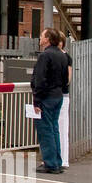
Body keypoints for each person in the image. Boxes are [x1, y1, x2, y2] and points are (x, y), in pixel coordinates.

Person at [31, 28, 70, 174]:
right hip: (58, 95)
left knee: (45, 130)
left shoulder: (45, 56)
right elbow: (65, 79)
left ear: (47, 39)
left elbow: (40, 79)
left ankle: (50, 163)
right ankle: (57, 162)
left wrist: (37, 100)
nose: (39, 38)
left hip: (46, 97)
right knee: (54, 129)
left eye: (41, 36)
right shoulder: (62, 55)